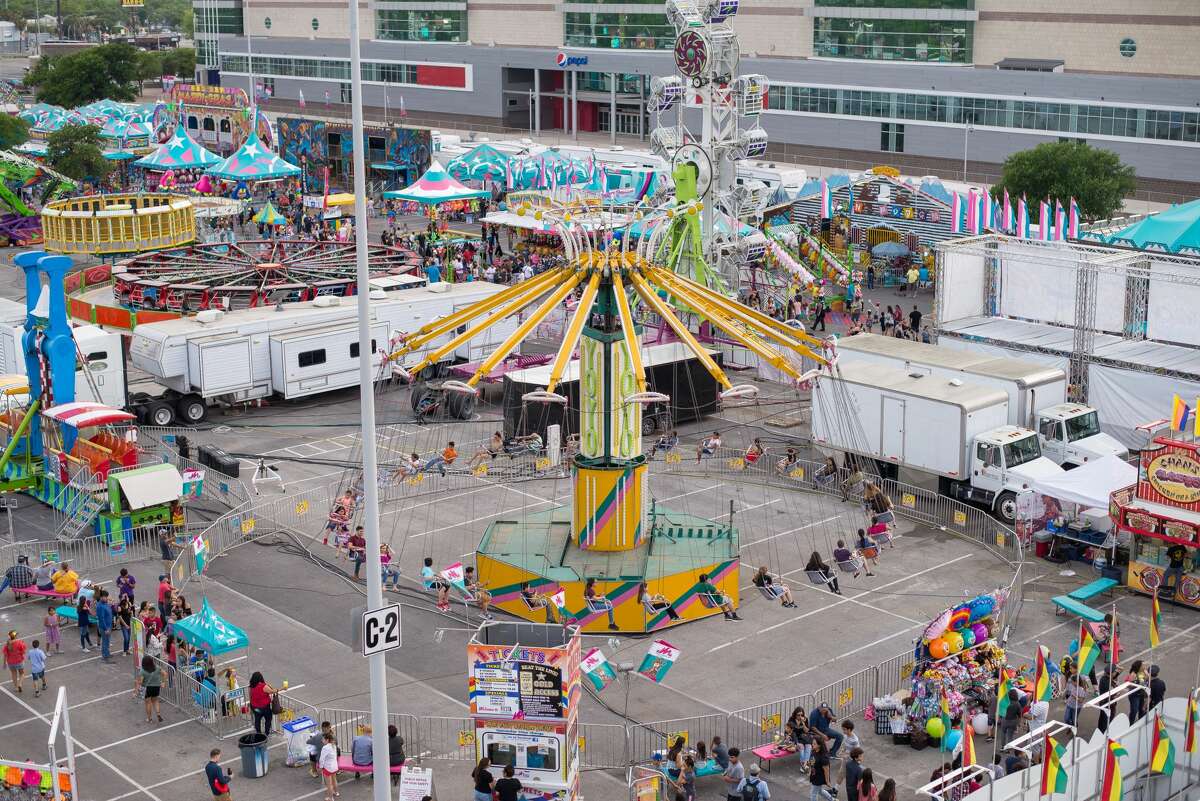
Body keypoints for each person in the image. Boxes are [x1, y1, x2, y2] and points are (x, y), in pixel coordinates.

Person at [137, 654, 165, 723]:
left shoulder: (143, 671)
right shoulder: (157, 668)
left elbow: (140, 682)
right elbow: (165, 673)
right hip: (156, 687)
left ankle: (149, 719)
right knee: (155, 701)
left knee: (148, 703)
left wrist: (137, 687)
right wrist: (163, 682)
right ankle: (158, 714)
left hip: (147, 688)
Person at [249, 671, 278, 736]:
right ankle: (266, 733)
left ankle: (258, 733)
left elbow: (251, 695)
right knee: (268, 719)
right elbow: (272, 691)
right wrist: (280, 689)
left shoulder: (251, 686)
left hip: (255, 707)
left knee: (257, 719)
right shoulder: (263, 686)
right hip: (264, 707)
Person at [95, 589, 115, 663]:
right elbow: (101, 618)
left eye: (107, 597)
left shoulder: (105, 603)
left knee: (107, 641)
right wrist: (106, 628)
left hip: (108, 626)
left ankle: (107, 654)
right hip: (105, 627)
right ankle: (104, 657)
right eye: (105, 597)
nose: (106, 598)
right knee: (105, 642)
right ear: (101, 597)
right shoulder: (100, 606)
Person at [319, 732, 339, 801]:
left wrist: (321, 767)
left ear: (327, 740)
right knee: (334, 780)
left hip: (328, 768)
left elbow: (322, 759)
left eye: (323, 739)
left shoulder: (325, 748)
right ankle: (336, 792)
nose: (322, 740)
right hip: (334, 766)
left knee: (329, 784)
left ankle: (330, 798)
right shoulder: (334, 745)